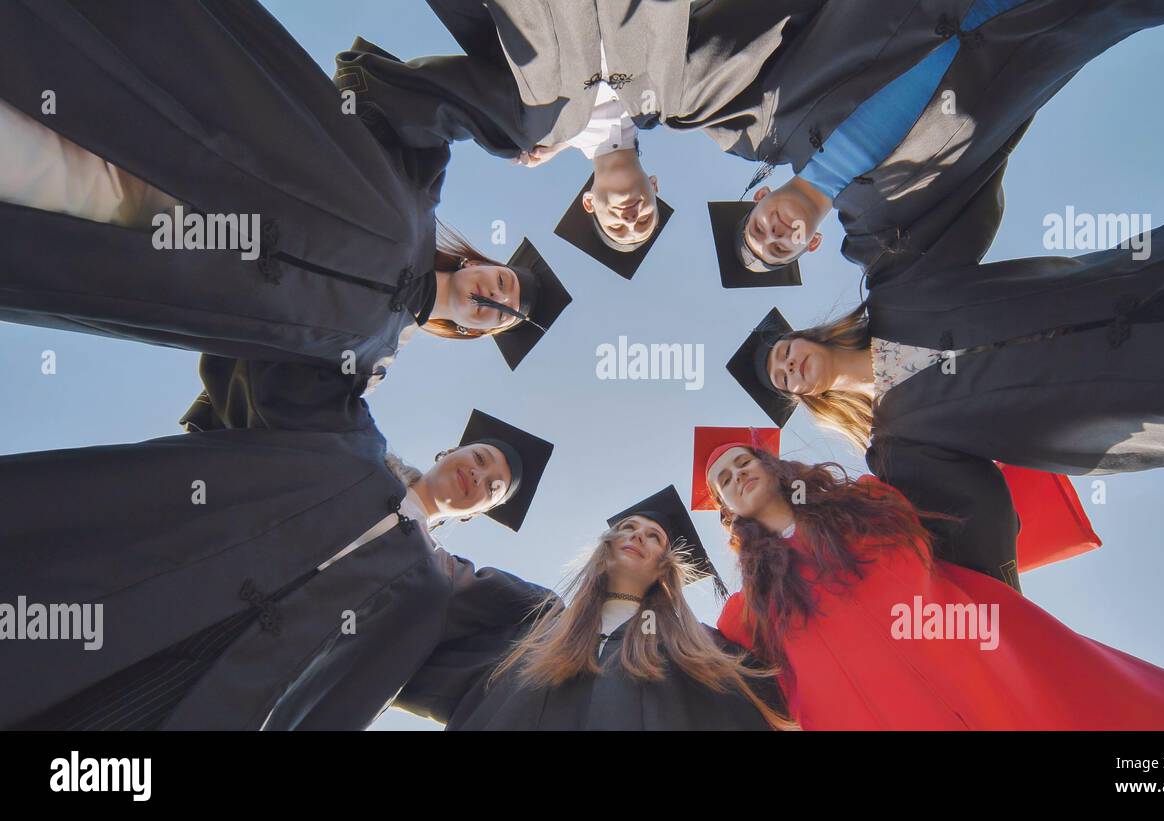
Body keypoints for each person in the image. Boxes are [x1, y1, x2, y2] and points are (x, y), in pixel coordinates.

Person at [725, 169, 1164, 582]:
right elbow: (977, 523)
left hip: (1150, 279)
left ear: (804, 337)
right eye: (783, 382)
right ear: (807, 396)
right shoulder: (901, 444)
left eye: (783, 353)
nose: (788, 367)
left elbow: (955, 183)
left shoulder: (898, 286)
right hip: (1150, 397)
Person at [0, 0, 569, 392]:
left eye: (501, 314)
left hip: (127, 238)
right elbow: (389, 96)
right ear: (478, 263)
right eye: (504, 283)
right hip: (179, 132)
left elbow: (272, 417)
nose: (496, 298)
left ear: (476, 331)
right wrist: (517, 125)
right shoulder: (416, 187)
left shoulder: (365, 365)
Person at [0, 352, 554, 730]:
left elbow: (542, 623)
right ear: (448, 453)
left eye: (492, 488)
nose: (478, 477)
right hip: (157, 589)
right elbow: (282, 373)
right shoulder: (353, 449)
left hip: (224, 677)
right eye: (479, 459)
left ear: (479, 513)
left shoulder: (439, 583)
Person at [699, 436, 1164, 730]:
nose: (737, 474)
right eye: (724, 479)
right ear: (727, 508)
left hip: (984, 661)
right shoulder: (749, 609)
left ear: (773, 466)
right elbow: (722, 679)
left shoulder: (869, 501)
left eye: (743, 461)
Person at [701, 0, 1164, 278]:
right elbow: (931, 276)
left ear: (759, 199)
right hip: (1031, 30)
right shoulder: (882, 224)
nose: (775, 234)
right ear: (810, 245)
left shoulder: (767, 123)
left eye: (758, 230)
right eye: (780, 249)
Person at [333, 0, 824, 278]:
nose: (631, 219)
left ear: (589, 203)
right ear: (655, 185)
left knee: (538, 125)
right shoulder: (677, 102)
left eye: (618, 226)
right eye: (645, 221)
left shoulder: (534, 129)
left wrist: (549, 139)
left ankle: (367, 103)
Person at [393, 486, 790, 730]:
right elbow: (434, 601)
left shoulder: (702, 647)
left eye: (654, 536)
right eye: (628, 529)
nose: (637, 536)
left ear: (665, 567)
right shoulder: (535, 626)